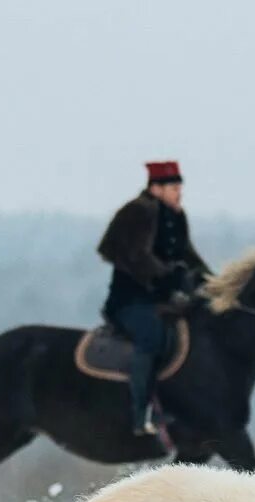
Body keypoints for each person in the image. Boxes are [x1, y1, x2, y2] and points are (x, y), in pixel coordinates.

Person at [97, 160, 212, 435]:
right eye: (173, 188)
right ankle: (141, 413)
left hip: (163, 301)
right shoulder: (137, 213)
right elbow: (136, 256)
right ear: (156, 188)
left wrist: (211, 282)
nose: (178, 194)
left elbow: (188, 255)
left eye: (178, 188)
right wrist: (170, 277)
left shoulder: (176, 217)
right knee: (151, 337)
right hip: (130, 302)